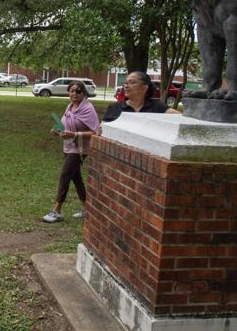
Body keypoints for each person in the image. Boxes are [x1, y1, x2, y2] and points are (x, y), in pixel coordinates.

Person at [42, 80, 100, 223]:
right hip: (68, 146)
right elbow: (64, 124)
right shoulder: (70, 106)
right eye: (72, 90)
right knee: (76, 178)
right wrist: (57, 129)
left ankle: (57, 211)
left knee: (65, 176)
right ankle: (88, 209)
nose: (74, 93)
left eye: (78, 91)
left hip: (80, 148)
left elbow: (96, 132)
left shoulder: (88, 109)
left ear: (84, 93)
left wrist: (75, 135)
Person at [102, 71, 181, 122]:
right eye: (125, 83)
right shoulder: (114, 108)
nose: (126, 86)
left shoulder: (157, 106)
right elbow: (102, 128)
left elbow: (180, 117)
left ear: (144, 88)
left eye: (132, 82)